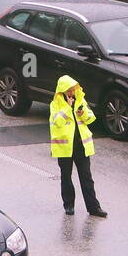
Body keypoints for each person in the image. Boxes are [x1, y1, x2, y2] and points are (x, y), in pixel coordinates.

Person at [49, 76, 105, 217]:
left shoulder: (80, 100)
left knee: (87, 178)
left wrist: (83, 113)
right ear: (62, 91)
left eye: (73, 89)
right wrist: (68, 108)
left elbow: (91, 118)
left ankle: (93, 207)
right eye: (69, 90)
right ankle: (69, 205)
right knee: (66, 177)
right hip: (65, 149)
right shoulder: (55, 105)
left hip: (81, 146)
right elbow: (57, 122)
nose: (72, 93)